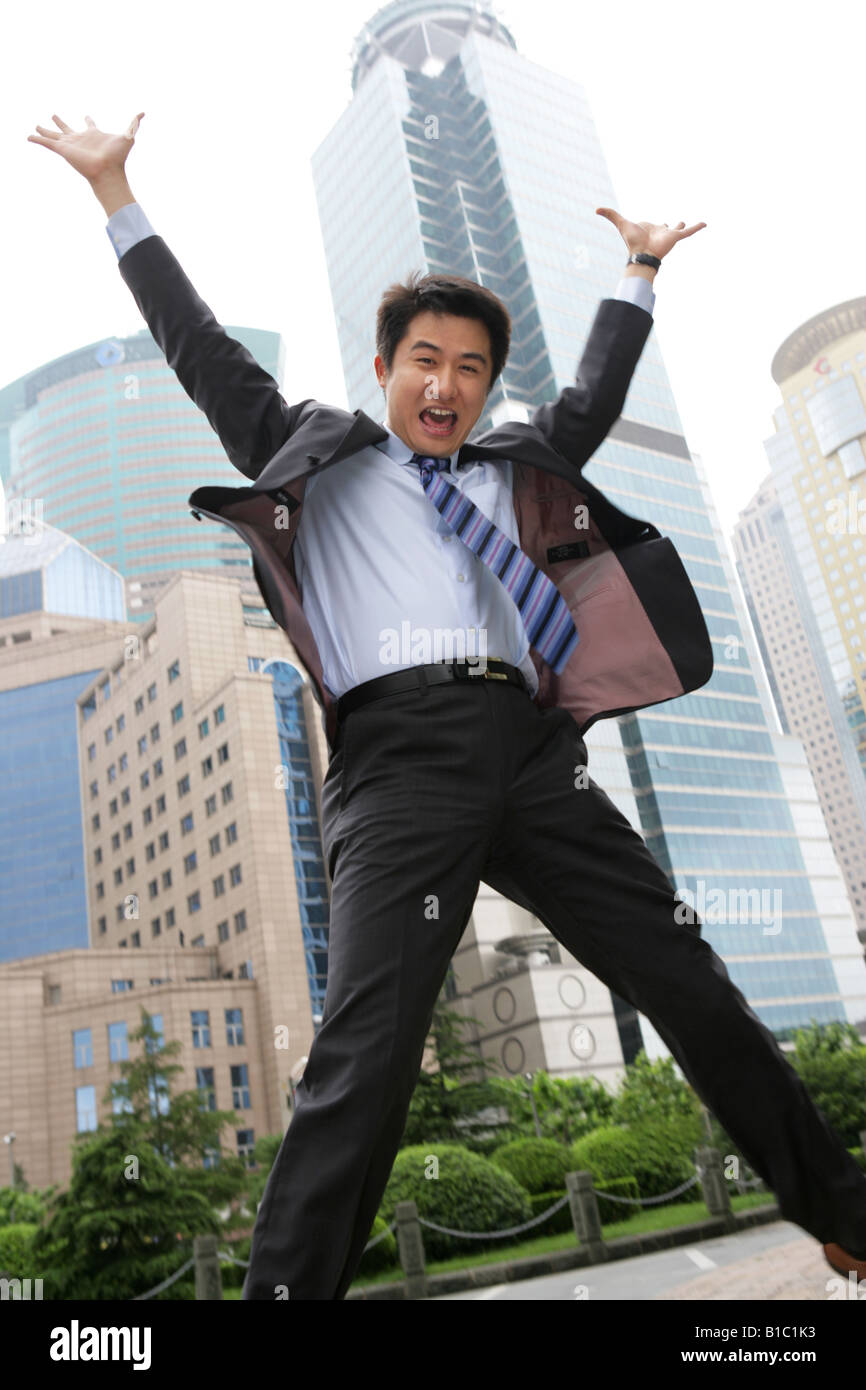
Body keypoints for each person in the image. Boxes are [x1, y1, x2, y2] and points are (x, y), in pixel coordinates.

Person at [28, 111, 866, 1300]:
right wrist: (117, 192)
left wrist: (637, 272)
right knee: (365, 1053)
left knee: (689, 977)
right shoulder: (311, 453)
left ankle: (842, 1215)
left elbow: (589, 393)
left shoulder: (515, 467)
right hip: (396, 758)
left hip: (529, 756)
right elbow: (199, 345)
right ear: (386, 368)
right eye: (426, 358)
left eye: (470, 367)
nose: (447, 383)